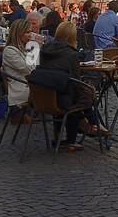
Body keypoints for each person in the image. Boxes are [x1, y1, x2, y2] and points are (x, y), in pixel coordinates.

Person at [38, 21, 105, 151]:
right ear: (72, 37)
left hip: (42, 96)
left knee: (74, 93)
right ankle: (88, 127)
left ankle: (88, 124)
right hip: (62, 100)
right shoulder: (71, 54)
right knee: (81, 95)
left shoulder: (43, 49)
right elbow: (75, 81)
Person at [0, 18, 34, 116]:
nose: (31, 35)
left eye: (31, 32)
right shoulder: (10, 51)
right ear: (18, 33)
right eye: (27, 32)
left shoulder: (26, 48)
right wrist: (34, 50)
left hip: (31, 85)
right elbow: (30, 70)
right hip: (22, 88)